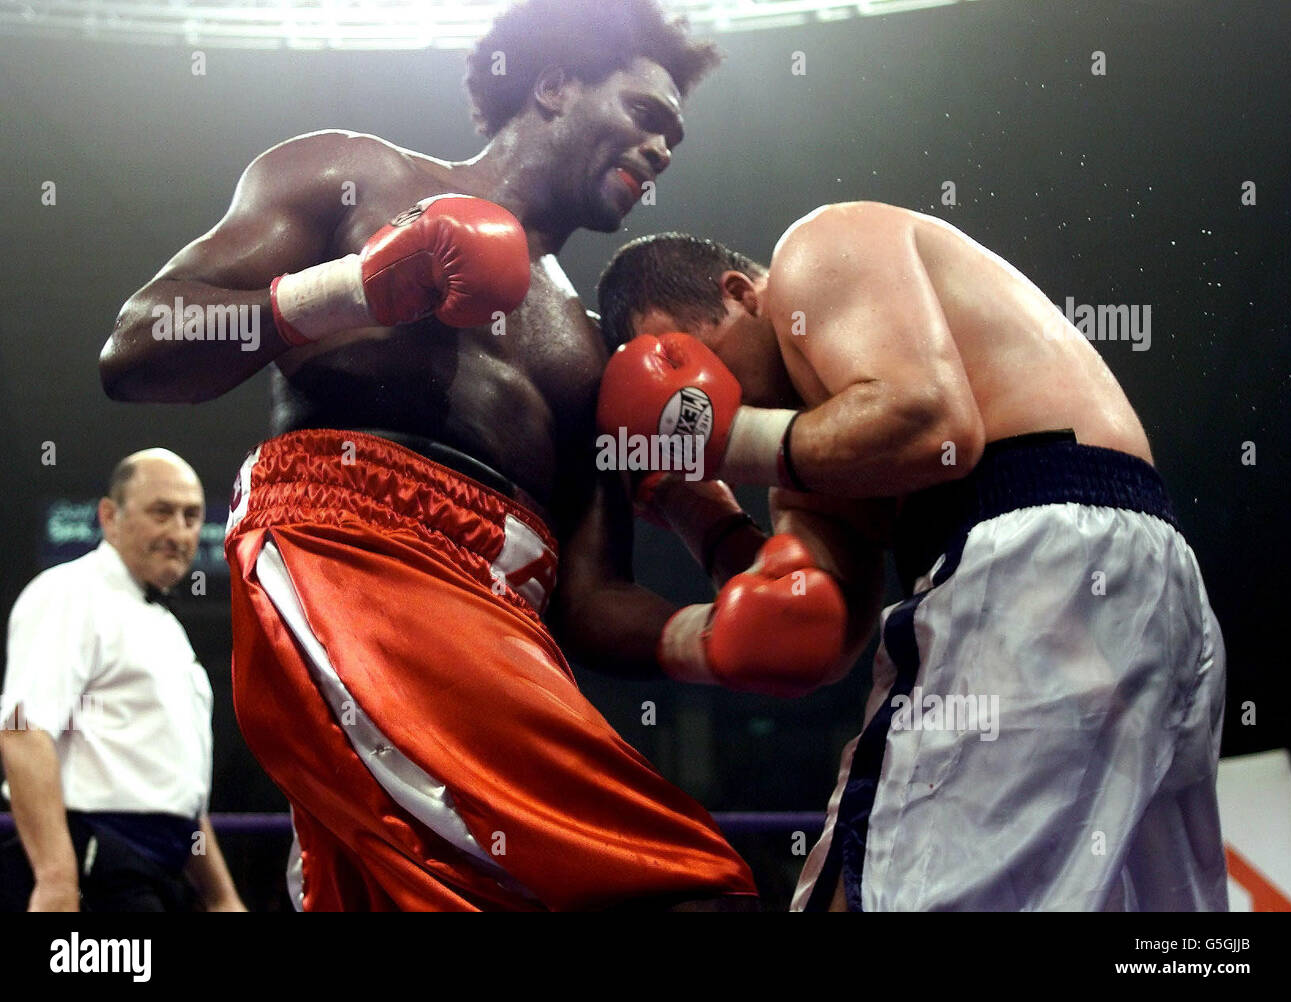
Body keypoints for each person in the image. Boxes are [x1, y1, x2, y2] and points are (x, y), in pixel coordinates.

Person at [98, 0, 846, 911]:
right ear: (554, 86)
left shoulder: (593, 352)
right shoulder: (355, 176)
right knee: (680, 886)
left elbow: (588, 597)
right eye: (647, 115)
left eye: (675, 137)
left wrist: (709, 639)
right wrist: (356, 288)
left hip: (508, 626)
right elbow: (139, 348)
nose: (661, 150)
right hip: (353, 567)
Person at [594, 201, 1230, 911]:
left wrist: (721, 438)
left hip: (1035, 551)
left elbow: (931, 421)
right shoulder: (816, 450)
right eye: (676, 409)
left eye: (689, 374)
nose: (694, 406)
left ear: (740, 295)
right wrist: (697, 506)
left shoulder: (818, 250)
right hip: (1135, 582)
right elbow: (801, 633)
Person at [0, 449, 245, 912]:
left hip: (159, 869)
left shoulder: (164, 627)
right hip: (98, 860)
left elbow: (177, 789)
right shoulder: (70, 592)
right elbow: (20, 726)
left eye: (192, 516)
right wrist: (56, 878)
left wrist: (222, 897)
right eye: (161, 512)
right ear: (110, 517)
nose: (179, 532)